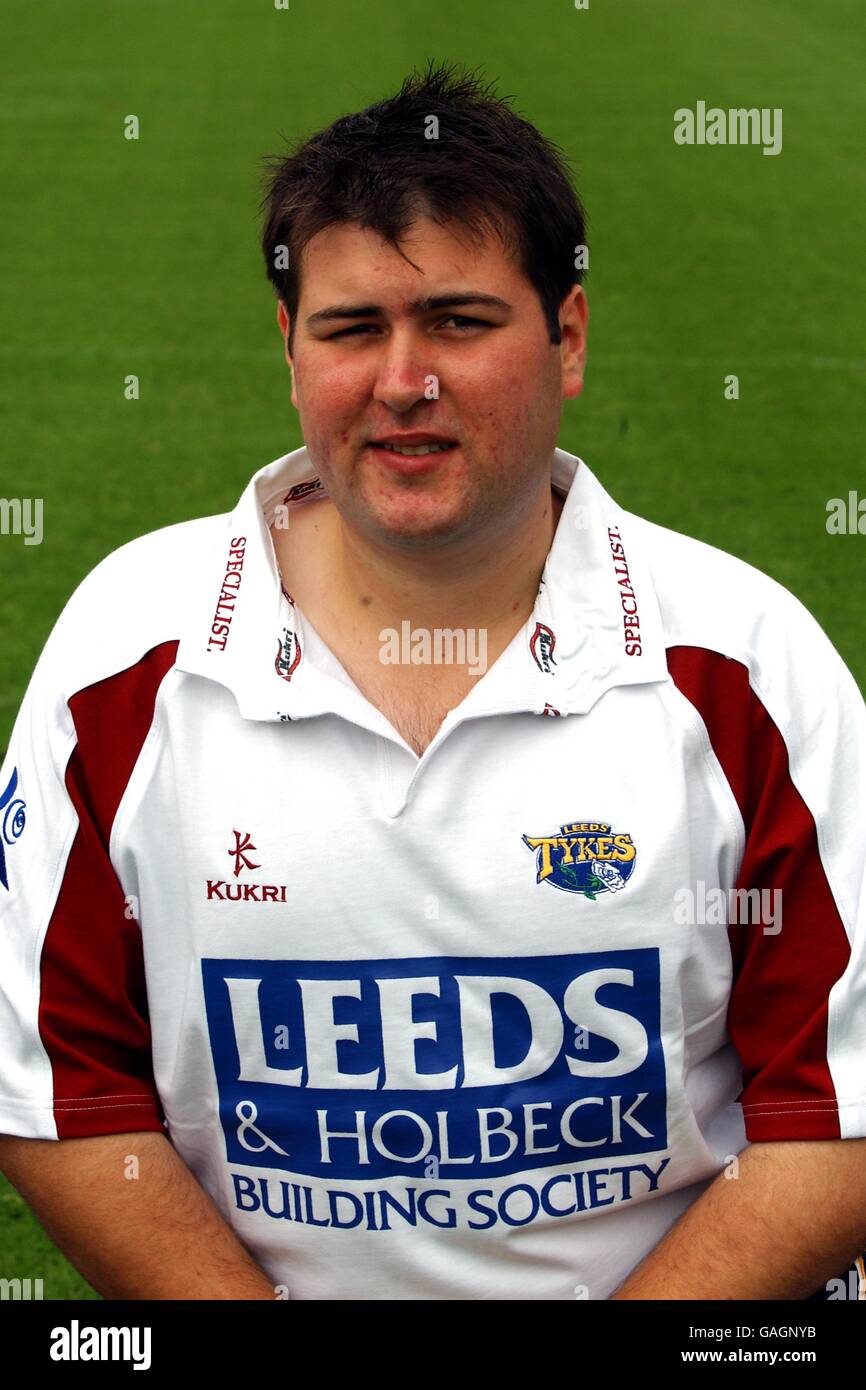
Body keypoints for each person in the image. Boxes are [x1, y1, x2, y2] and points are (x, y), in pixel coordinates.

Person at [0, 62, 864, 1303]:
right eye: (352, 329)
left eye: (459, 322)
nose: (403, 381)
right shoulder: (126, 658)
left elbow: (832, 1109)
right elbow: (52, 1082)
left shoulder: (742, 666)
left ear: (566, 335)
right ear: (289, 349)